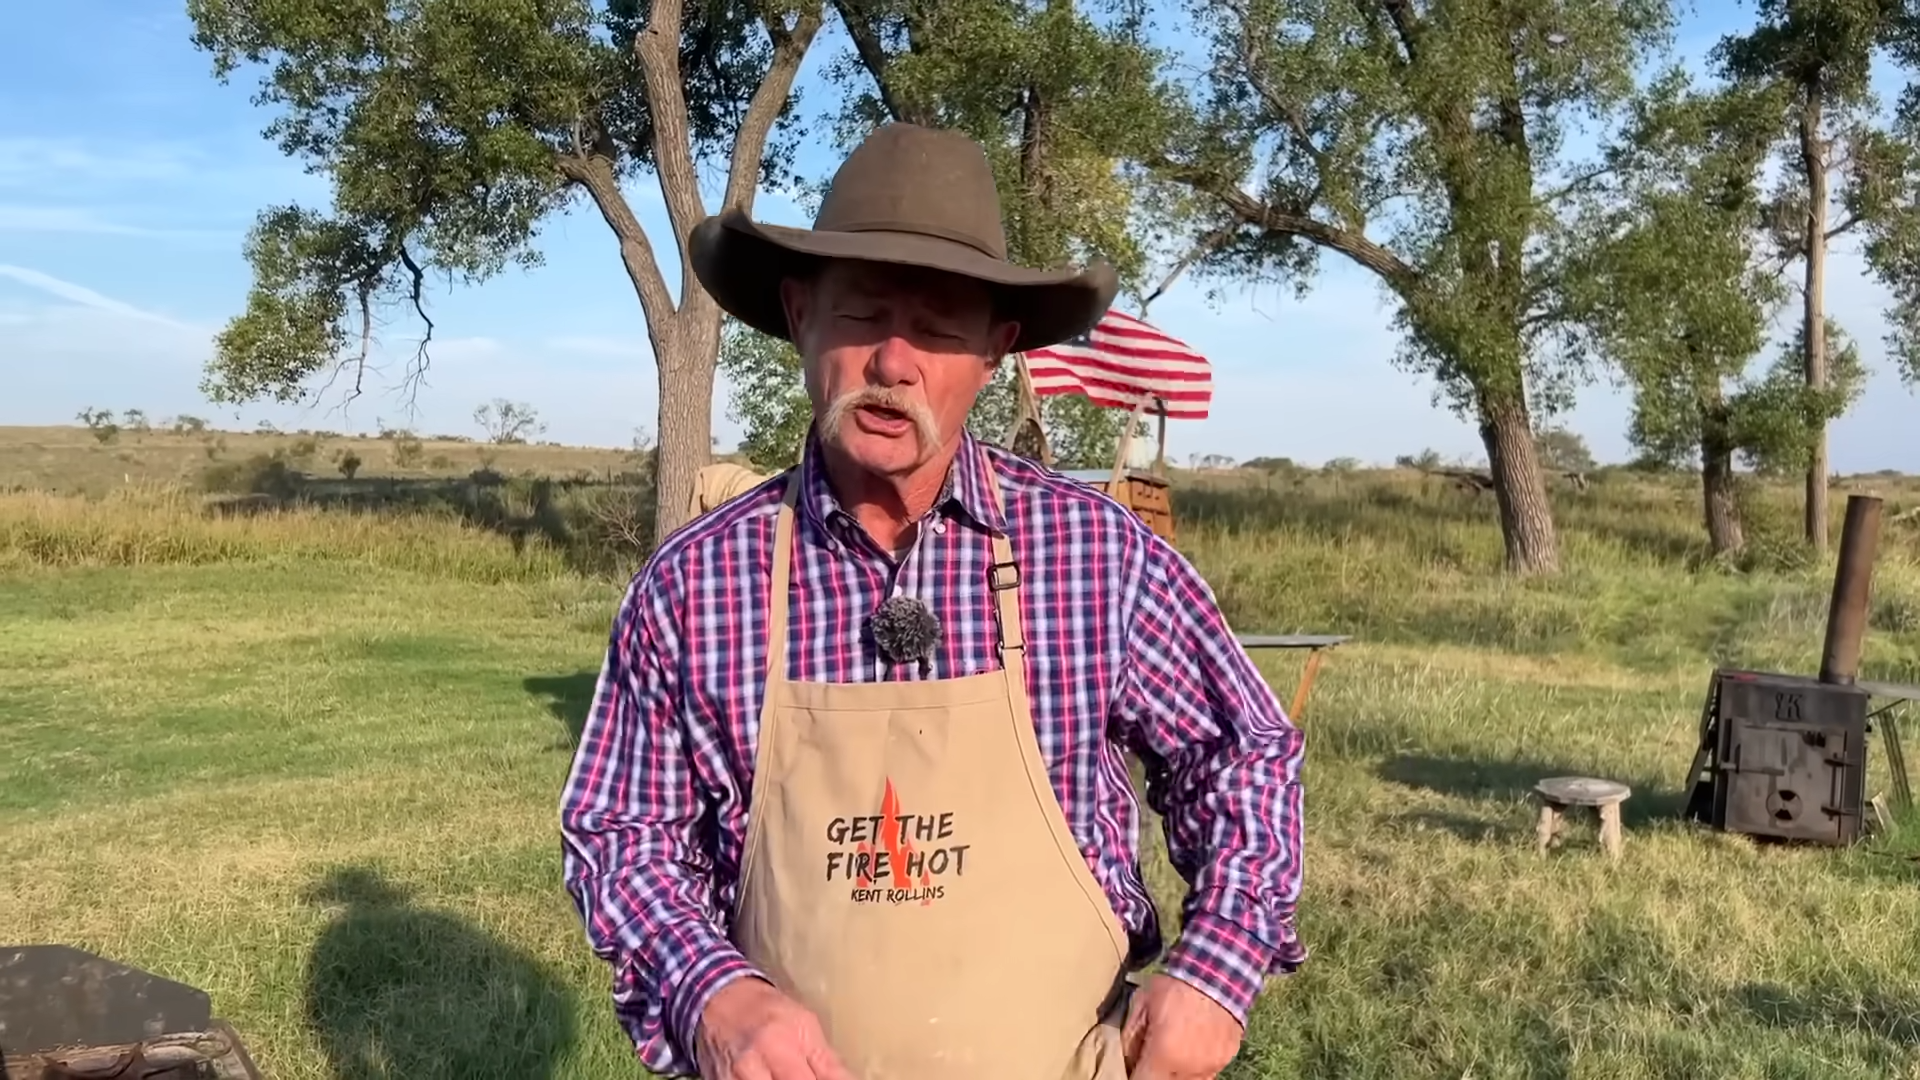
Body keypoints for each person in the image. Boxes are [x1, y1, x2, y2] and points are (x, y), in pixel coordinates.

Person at [559, 122, 1306, 1080]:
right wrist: (713, 993)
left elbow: (1239, 751)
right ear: (800, 317)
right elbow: (626, 834)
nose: (895, 362)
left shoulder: (1099, 557)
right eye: (864, 315)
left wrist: (1218, 966)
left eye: (941, 330)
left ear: (995, 352)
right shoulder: (693, 586)